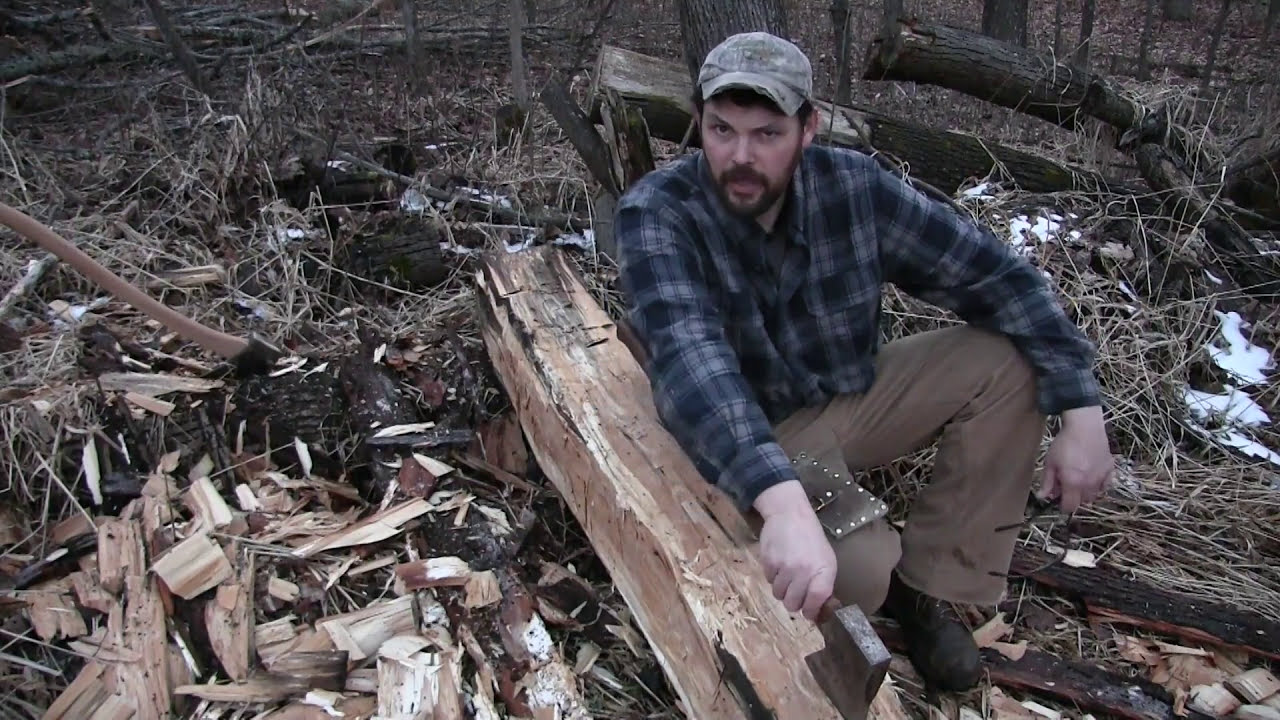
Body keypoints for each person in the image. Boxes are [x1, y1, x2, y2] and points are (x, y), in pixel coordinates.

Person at [612, 30, 1116, 692]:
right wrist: (784, 507)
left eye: (767, 134)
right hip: (742, 435)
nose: (740, 156)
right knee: (861, 573)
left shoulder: (854, 188)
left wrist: (1082, 408)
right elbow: (692, 364)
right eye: (721, 130)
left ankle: (930, 588)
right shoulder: (659, 212)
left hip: (848, 398)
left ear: (809, 128)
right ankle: (872, 569)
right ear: (698, 122)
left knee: (1008, 364)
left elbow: (999, 279)